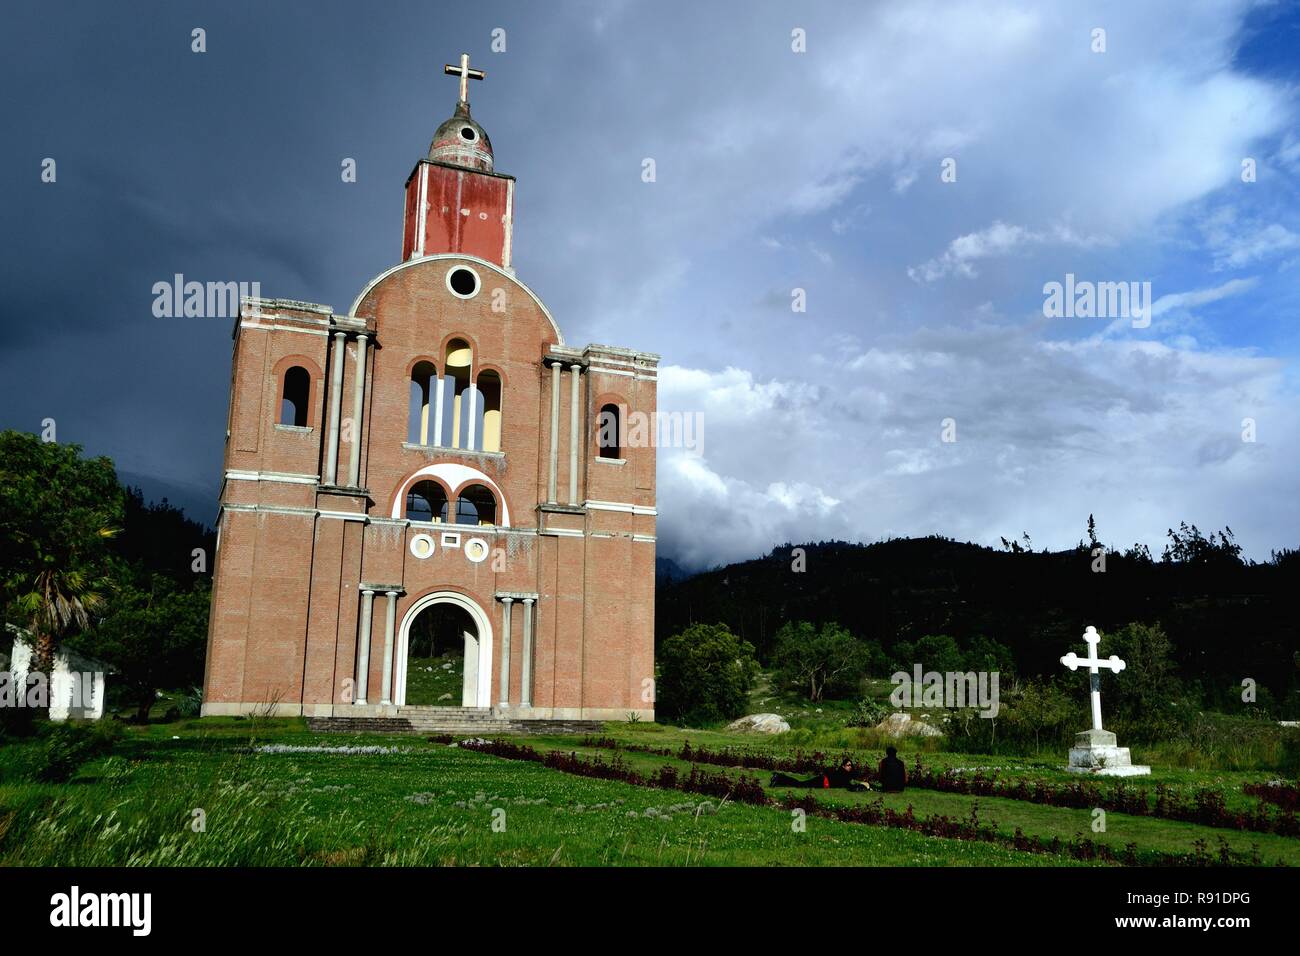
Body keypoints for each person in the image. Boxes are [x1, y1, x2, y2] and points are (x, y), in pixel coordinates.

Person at [770, 757, 860, 789]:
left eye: (851, 765)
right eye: (848, 765)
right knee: (799, 784)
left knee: (799, 784)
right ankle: (779, 777)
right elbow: (848, 785)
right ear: (843, 766)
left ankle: (779, 779)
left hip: (822, 781)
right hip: (822, 781)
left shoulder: (844, 773)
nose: (850, 767)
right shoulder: (843, 773)